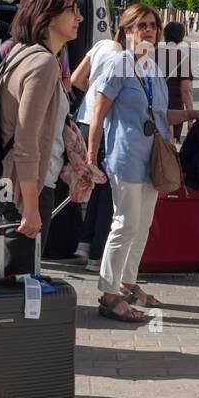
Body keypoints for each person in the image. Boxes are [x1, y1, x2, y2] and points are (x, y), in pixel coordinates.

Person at [87, 4, 199, 323]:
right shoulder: (120, 63)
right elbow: (98, 114)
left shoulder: (154, 68)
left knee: (142, 224)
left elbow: (161, 115)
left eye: (152, 25)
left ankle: (128, 283)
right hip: (126, 156)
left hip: (153, 158)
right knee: (125, 224)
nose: (148, 30)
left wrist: (192, 114)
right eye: (140, 26)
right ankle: (108, 293)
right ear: (127, 31)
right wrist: (91, 159)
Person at [0, 0, 84, 279]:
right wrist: (31, 207)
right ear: (48, 16)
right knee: (20, 281)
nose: (79, 17)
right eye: (72, 10)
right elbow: (26, 138)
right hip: (28, 186)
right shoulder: (43, 63)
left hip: (10, 180)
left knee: (4, 273)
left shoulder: (20, 52)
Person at [68, 29, 125, 271]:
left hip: (84, 120)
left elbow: (76, 79)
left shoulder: (102, 45)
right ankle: (96, 256)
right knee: (108, 193)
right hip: (106, 126)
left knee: (97, 187)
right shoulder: (129, 59)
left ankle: (83, 242)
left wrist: (93, 90)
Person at [163, 21, 195, 142]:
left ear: (164, 36)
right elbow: (186, 91)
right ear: (181, 38)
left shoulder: (153, 55)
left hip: (153, 110)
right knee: (169, 150)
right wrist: (190, 117)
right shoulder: (183, 59)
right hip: (175, 110)